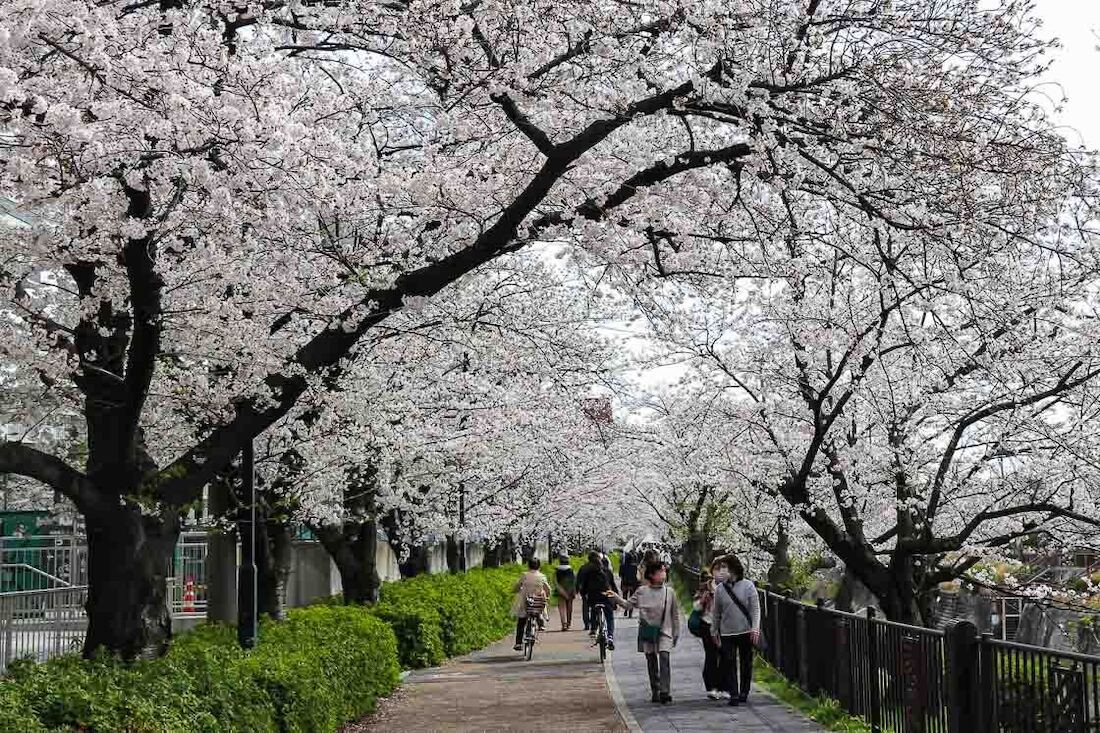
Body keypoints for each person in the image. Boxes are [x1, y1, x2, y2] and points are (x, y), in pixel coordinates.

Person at [605, 561, 682, 704]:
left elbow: (675, 615)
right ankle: (655, 690)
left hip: (665, 630)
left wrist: (676, 632)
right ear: (652, 575)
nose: (663, 574)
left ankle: (665, 691)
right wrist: (615, 597)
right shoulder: (642, 591)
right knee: (651, 661)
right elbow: (628, 605)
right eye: (660, 571)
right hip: (647, 631)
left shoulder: (669, 592)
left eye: (664, 571)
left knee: (664, 658)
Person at [711, 554, 760, 706]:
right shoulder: (720, 589)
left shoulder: (748, 586)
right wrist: (714, 630)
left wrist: (755, 628)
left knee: (746, 662)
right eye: (720, 567)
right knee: (729, 662)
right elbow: (716, 612)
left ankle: (744, 691)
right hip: (727, 632)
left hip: (745, 631)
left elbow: (755, 609)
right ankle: (734, 693)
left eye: (724, 567)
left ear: (733, 568)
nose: (722, 571)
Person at [693, 562, 723, 699]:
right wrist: (703, 601)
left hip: (725, 626)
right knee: (711, 655)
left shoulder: (729, 587)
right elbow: (696, 607)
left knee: (725, 656)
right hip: (708, 624)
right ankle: (711, 687)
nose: (720, 572)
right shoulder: (705, 587)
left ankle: (723, 686)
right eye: (717, 569)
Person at [512, 557, 551, 651]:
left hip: (526, 601)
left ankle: (518, 643)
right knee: (539, 610)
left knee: (521, 621)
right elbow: (548, 588)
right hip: (538, 602)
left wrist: (515, 590)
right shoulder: (542, 576)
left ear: (528, 565)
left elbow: (517, 586)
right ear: (539, 566)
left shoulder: (524, 575)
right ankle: (540, 622)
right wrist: (547, 596)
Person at [579, 551, 616, 648]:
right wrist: (615, 599)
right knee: (609, 617)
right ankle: (610, 636)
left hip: (593, 598)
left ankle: (594, 629)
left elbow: (583, 586)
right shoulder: (607, 571)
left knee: (594, 610)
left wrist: (583, 594)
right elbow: (613, 586)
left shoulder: (587, 572)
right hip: (606, 597)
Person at [554, 554, 577, 631]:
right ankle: (568, 623)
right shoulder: (571, 570)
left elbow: (555, 581)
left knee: (561, 608)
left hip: (560, 590)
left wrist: (559, 589)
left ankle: (563, 624)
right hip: (570, 590)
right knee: (569, 607)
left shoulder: (557, 570)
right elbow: (574, 581)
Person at [619, 551, 639, 618]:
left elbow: (620, 575)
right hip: (633, 584)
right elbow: (636, 575)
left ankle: (625, 609)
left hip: (625, 583)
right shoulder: (635, 567)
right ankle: (630, 613)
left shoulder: (622, 566)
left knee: (624, 597)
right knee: (631, 598)